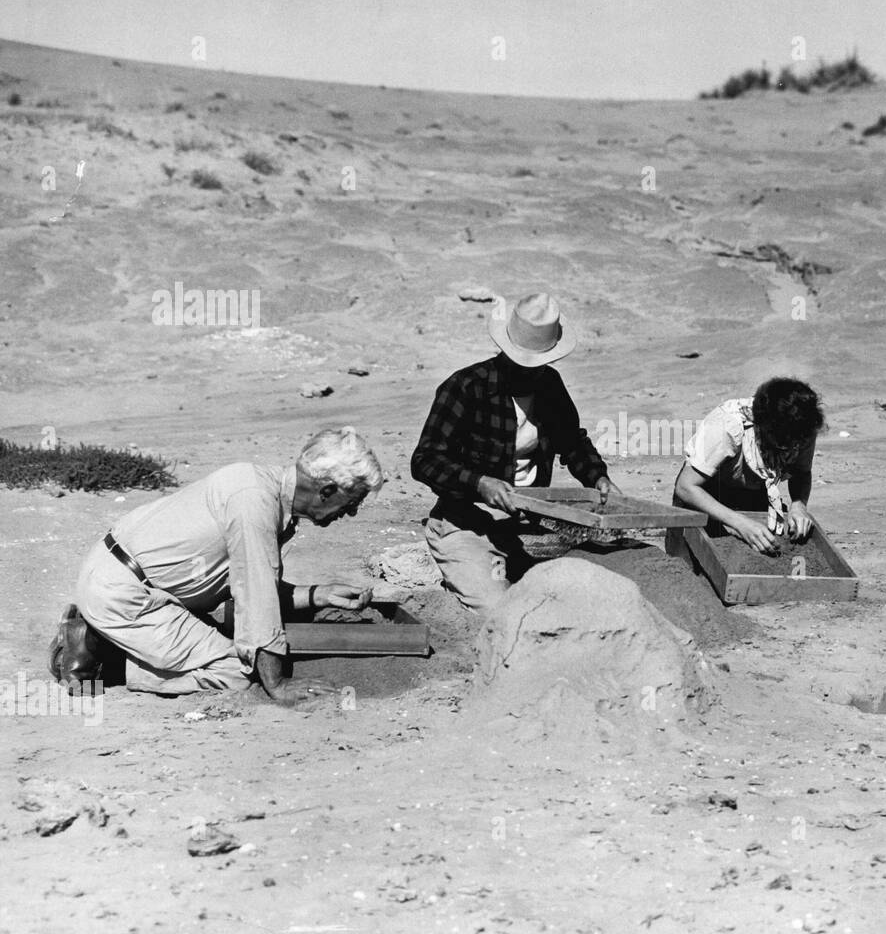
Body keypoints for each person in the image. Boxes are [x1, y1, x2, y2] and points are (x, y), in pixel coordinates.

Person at [49, 427, 383, 704]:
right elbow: (256, 603)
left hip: (117, 577)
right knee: (240, 673)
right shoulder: (254, 505)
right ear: (327, 489)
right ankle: (102, 657)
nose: (350, 513)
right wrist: (277, 684)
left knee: (232, 638)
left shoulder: (260, 485)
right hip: (127, 597)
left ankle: (101, 634)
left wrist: (318, 595)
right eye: (352, 502)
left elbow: (243, 585)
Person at [410, 292, 617, 611]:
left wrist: (598, 478)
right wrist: (479, 483)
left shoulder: (550, 385)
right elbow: (425, 460)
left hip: (528, 523)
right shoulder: (467, 387)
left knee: (580, 592)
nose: (531, 371)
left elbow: (572, 442)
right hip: (466, 523)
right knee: (500, 610)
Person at [673, 378, 825, 553]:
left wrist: (799, 505)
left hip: (752, 488)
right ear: (765, 430)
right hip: (706, 490)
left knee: (768, 547)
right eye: (785, 445)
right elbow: (686, 487)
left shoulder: (802, 428)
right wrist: (740, 523)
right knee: (691, 561)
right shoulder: (726, 426)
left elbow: (802, 472)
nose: (793, 449)